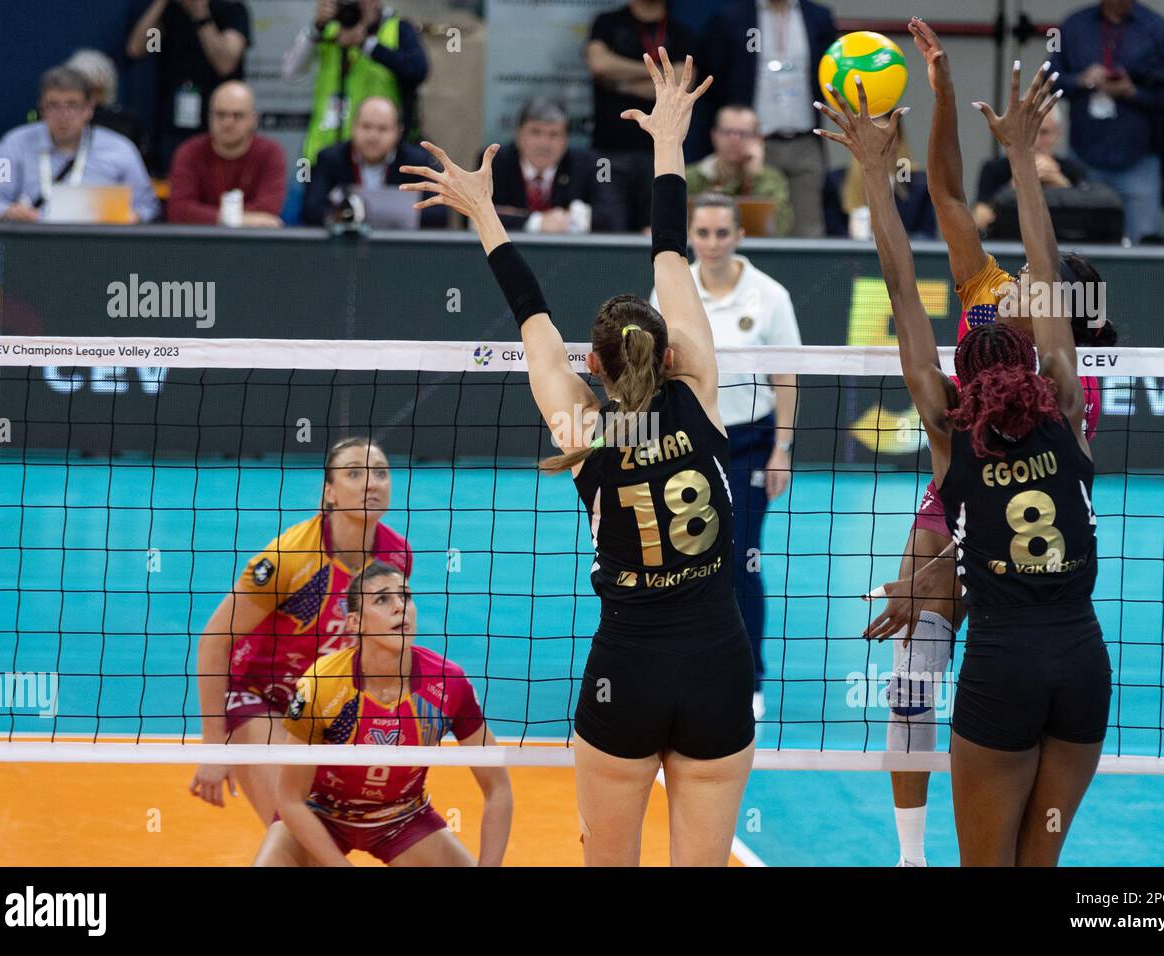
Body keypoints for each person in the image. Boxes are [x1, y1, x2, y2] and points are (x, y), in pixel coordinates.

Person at [400, 48, 755, 866]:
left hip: (624, 672)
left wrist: (485, 215)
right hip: (718, 666)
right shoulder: (698, 393)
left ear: (592, 365)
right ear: (668, 356)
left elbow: (531, 318)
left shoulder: (583, 434)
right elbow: (672, 252)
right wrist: (669, 141)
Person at [820, 61, 1111, 866]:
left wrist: (874, 175)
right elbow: (948, 199)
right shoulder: (1008, 317)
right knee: (914, 664)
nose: (1019, 278)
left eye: (1030, 281)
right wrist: (945, 98)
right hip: (996, 532)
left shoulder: (1060, 389)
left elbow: (903, 293)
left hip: (985, 516)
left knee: (943, 633)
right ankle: (910, 854)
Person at [189, 437, 412, 825]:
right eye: (354, 473)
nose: (371, 483)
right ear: (330, 491)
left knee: (331, 831)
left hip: (318, 705)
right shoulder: (289, 558)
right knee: (292, 828)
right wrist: (216, 748)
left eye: (380, 473)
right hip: (258, 696)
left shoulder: (396, 556)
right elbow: (214, 641)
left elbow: (381, 646)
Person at [647, 193, 800, 717]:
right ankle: (688, 667)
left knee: (741, 560)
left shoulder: (771, 296)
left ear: (738, 236)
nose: (712, 244)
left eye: (722, 233)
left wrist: (782, 449)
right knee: (685, 559)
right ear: (691, 236)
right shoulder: (670, 289)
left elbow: (787, 375)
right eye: (703, 233)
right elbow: (658, 374)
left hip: (751, 444)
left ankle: (750, 678)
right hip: (690, 442)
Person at [254, 562, 513, 866]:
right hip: (320, 813)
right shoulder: (320, 684)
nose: (400, 607)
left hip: (402, 817)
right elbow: (290, 798)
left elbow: (498, 788)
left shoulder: (447, 683)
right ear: (354, 622)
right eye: (382, 599)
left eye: (405, 596)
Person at [1049, 0, 1164, 243]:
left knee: (1145, 249)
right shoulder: (1074, 25)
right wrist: (1081, 80)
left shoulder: (1158, 28)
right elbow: (1050, 79)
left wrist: (1133, 93)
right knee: (1080, 249)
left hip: (1140, 158)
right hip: (1084, 157)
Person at [699, 0, 837, 236]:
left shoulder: (818, 17)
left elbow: (830, 76)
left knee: (810, 231)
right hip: (753, 142)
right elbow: (714, 84)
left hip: (805, 141)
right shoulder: (732, 16)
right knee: (756, 228)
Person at [0, 66, 158, 223]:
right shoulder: (16, 145)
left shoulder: (120, 150)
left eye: (72, 105)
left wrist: (134, 216)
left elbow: (147, 205)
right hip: (33, 242)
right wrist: (9, 211)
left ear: (89, 109)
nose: (63, 115)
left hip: (98, 246)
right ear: (41, 108)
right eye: (53, 105)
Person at [587, 1, 698, 230]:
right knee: (608, 232)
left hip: (660, 153)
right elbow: (600, 64)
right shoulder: (607, 22)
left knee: (657, 231)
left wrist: (620, 84)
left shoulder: (681, 31)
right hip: (608, 153)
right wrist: (658, 74)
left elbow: (680, 85)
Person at [283, 0, 429, 164]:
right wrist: (316, 28)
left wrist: (367, 44)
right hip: (324, 153)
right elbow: (291, 72)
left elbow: (417, 71)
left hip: (380, 157)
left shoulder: (397, 29)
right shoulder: (328, 30)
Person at [126, 0, 251, 176]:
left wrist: (201, 16)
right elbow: (137, 48)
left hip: (219, 121)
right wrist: (160, 4)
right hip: (173, 125)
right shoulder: (169, 12)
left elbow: (225, 63)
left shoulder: (231, 10)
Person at [302, 96, 445, 228]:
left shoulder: (419, 162)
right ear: (353, 127)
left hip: (401, 247)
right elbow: (311, 211)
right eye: (366, 126)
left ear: (398, 132)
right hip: (345, 247)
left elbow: (439, 215)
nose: (373, 136)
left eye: (382, 129)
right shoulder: (330, 158)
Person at [488, 97, 625, 233]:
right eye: (535, 132)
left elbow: (613, 218)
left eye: (554, 135)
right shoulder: (492, 161)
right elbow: (475, 217)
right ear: (518, 136)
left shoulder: (598, 164)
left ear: (566, 140)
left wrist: (570, 220)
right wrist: (538, 221)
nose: (544, 144)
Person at [167, 81, 287, 226]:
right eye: (220, 114)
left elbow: (269, 209)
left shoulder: (271, 153)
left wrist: (207, 216)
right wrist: (240, 220)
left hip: (252, 244)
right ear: (209, 117)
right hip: (199, 242)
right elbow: (179, 210)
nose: (227, 122)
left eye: (237, 115)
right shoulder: (188, 152)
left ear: (253, 119)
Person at [973, 105, 1086, 233]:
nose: (1036, 141)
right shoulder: (995, 169)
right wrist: (1015, 186)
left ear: (1057, 134)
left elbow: (1089, 221)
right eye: (1029, 132)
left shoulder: (1073, 169)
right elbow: (980, 221)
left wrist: (1062, 185)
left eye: (1044, 132)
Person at [686, 105, 793, 236]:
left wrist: (756, 177)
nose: (734, 139)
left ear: (758, 139)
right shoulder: (691, 176)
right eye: (727, 132)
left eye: (744, 134)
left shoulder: (772, 178)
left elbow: (780, 227)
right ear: (714, 136)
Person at [823, 119, 936, 238]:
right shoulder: (836, 182)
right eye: (871, 135)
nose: (878, 142)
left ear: (898, 140)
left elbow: (925, 237)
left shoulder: (919, 185)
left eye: (885, 135)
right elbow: (831, 237)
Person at [65, 49, 150, 170]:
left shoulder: (127, 124)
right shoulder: (57, 119)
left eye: (95, 90)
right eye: (83, 89)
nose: (89, 98)